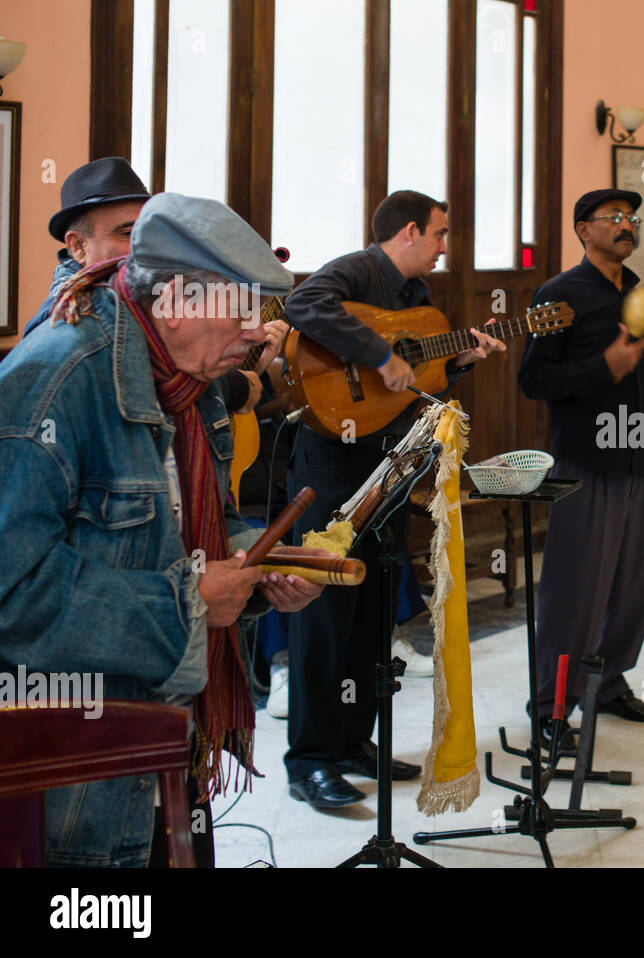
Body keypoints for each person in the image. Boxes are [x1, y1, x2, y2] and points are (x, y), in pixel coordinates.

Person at [0, 192, 328, 867]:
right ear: (175, 300)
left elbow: (188, 527)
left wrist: (256, 566)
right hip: (77, 768)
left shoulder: (187, 380)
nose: (255, 334)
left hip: (170, 738)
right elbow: (14, 591)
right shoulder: (55, 380)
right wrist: (186, 604)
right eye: (240, 310)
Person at [281, 189, 505, 809]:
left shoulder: (419, 303)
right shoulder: (357, 269)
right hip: (329, 461)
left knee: (375, 606)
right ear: (409, 231)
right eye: (439, 235)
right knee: (324, 610)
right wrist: (378, 354)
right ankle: (310, 760)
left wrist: (459, 357)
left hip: (388, 462)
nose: (442, 248)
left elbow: (415, 384)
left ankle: (353, 740)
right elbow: (303, 304)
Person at [518, 188, 644, 727]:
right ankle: (551, 704)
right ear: (583, 230)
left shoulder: (637, 291)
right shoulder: (558, 294)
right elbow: (533, 380)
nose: (626, 224)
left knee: (632, 584)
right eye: (613, 217)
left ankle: (607, 684)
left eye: (631, 217)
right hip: (586, 461)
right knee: (575, 587)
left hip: (637, 454)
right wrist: (602, 368)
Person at [29, 157, 284, 415]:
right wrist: (230, 385)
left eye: (149, 234)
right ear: (79, 247)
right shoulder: (63, 322)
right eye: (128, 234)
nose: (145, 247)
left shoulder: (153, 299)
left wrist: (252, 367)